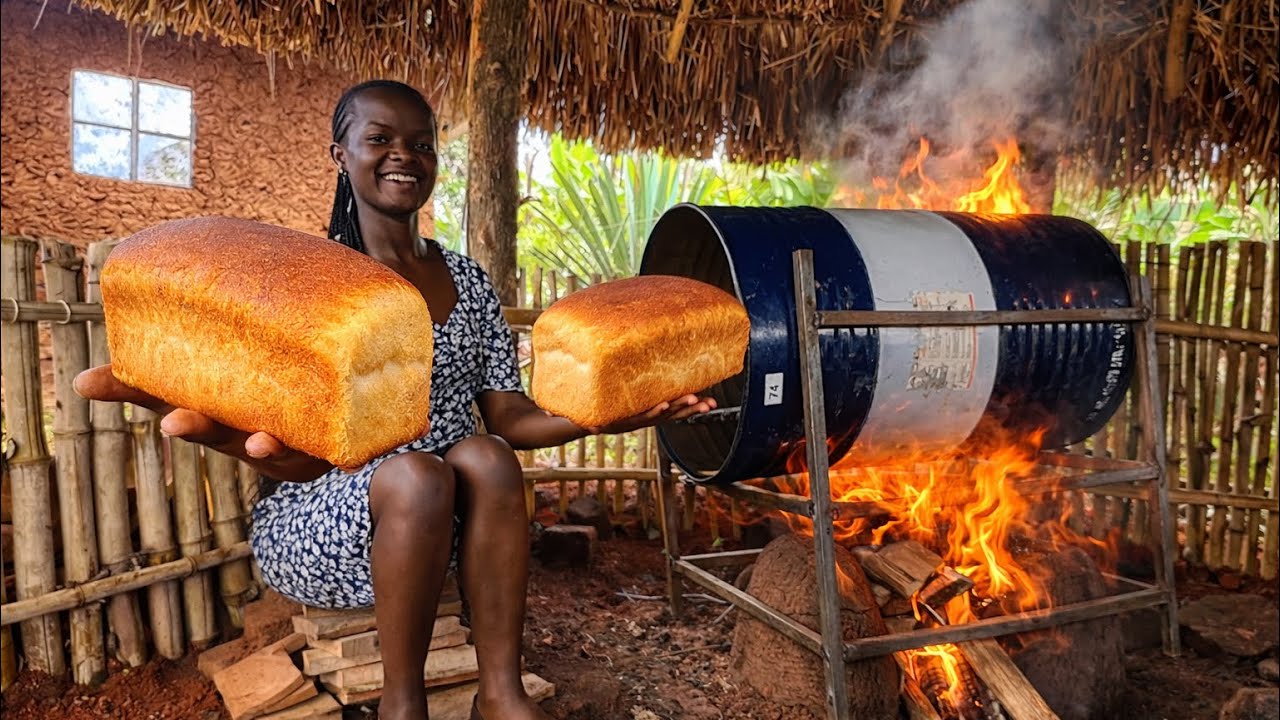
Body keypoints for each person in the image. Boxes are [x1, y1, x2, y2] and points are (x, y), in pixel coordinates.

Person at [74, 80, 715, 720]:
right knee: (415, 474)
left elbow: (508, 416)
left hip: (448, 520)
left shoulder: (467, 279)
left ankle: (500, 695)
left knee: (488, 455)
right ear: (340, 154)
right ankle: (401, 706)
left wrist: (601, 415)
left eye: (421, 144)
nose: (403, 155)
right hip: (321, 519)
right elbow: (292, 451)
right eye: (379, 139)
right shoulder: (310, 280)